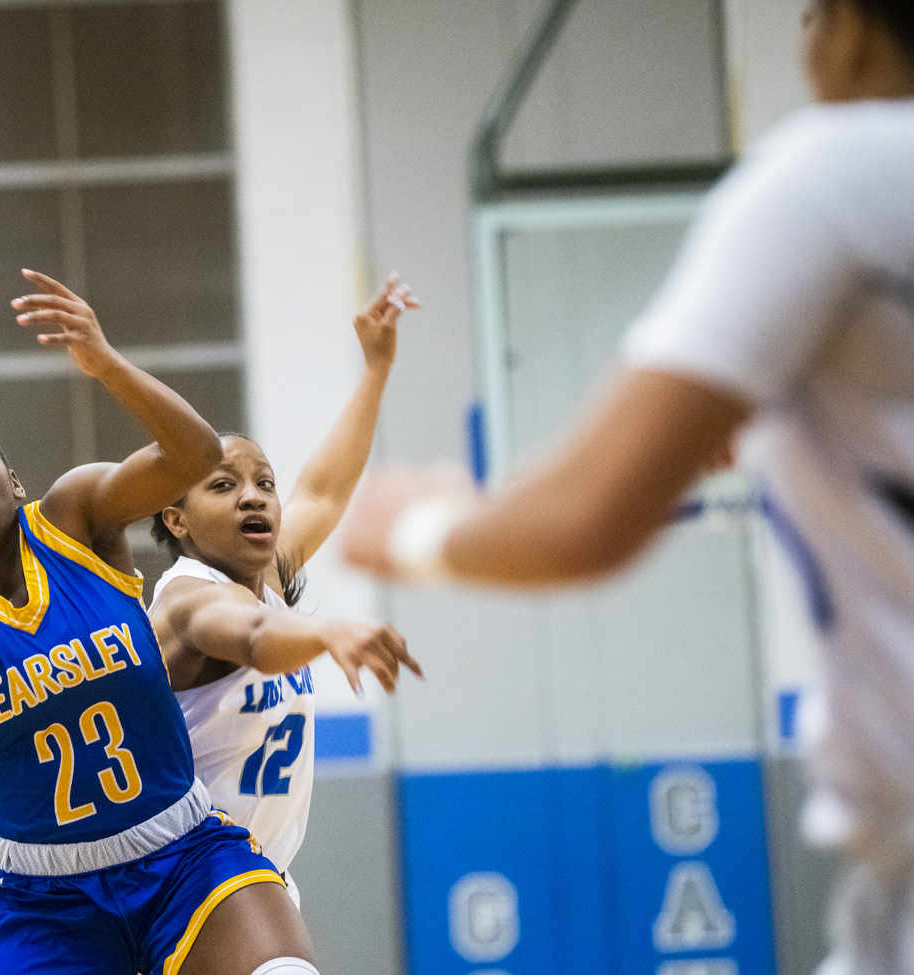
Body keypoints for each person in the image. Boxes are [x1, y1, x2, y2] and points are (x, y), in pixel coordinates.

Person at [341, 1, 914, 972]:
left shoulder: (836, 171)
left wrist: (414, 528)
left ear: (851, 26)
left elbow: (582, 519)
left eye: (809, 17)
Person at [0, 269, 321, 975]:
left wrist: (104, 359)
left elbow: (196, 456)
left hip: (184, 854)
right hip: (42, 898)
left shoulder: (74, 519)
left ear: (14, 479)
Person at [146, 275, 422, 898]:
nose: (254, 495)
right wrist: (326, 630)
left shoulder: (263, 575)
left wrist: (376, 366)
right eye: (223, 485)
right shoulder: (189, 596)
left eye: (264, 483)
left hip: (253, 879)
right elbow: (253, 634)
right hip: (182, 884)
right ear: (176, 518)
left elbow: (323, 491)